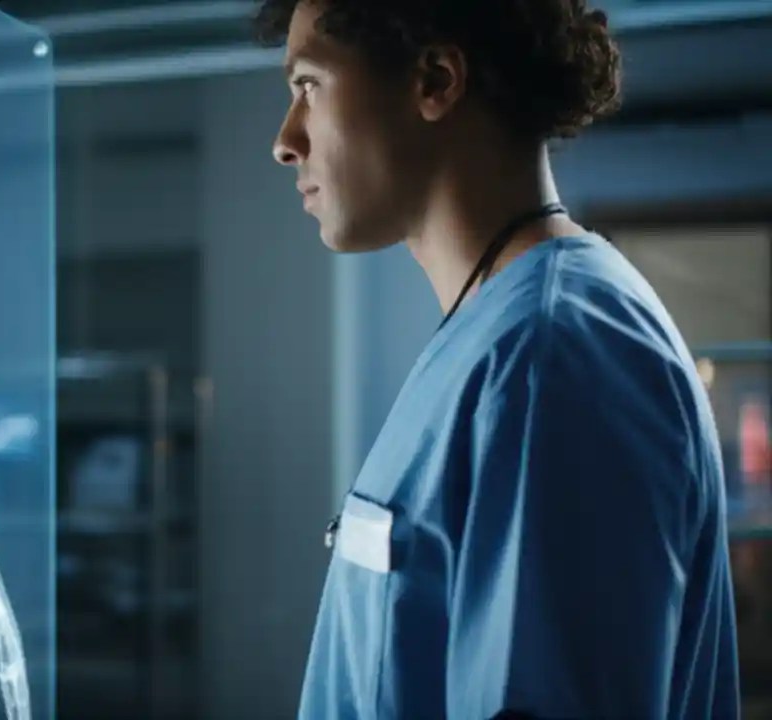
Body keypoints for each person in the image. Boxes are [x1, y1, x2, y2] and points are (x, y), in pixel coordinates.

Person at [255, 0, 741, 717]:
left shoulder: (555, 355)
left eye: (309, 87)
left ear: (436, 80)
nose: (285, 142)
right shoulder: (497, 331)